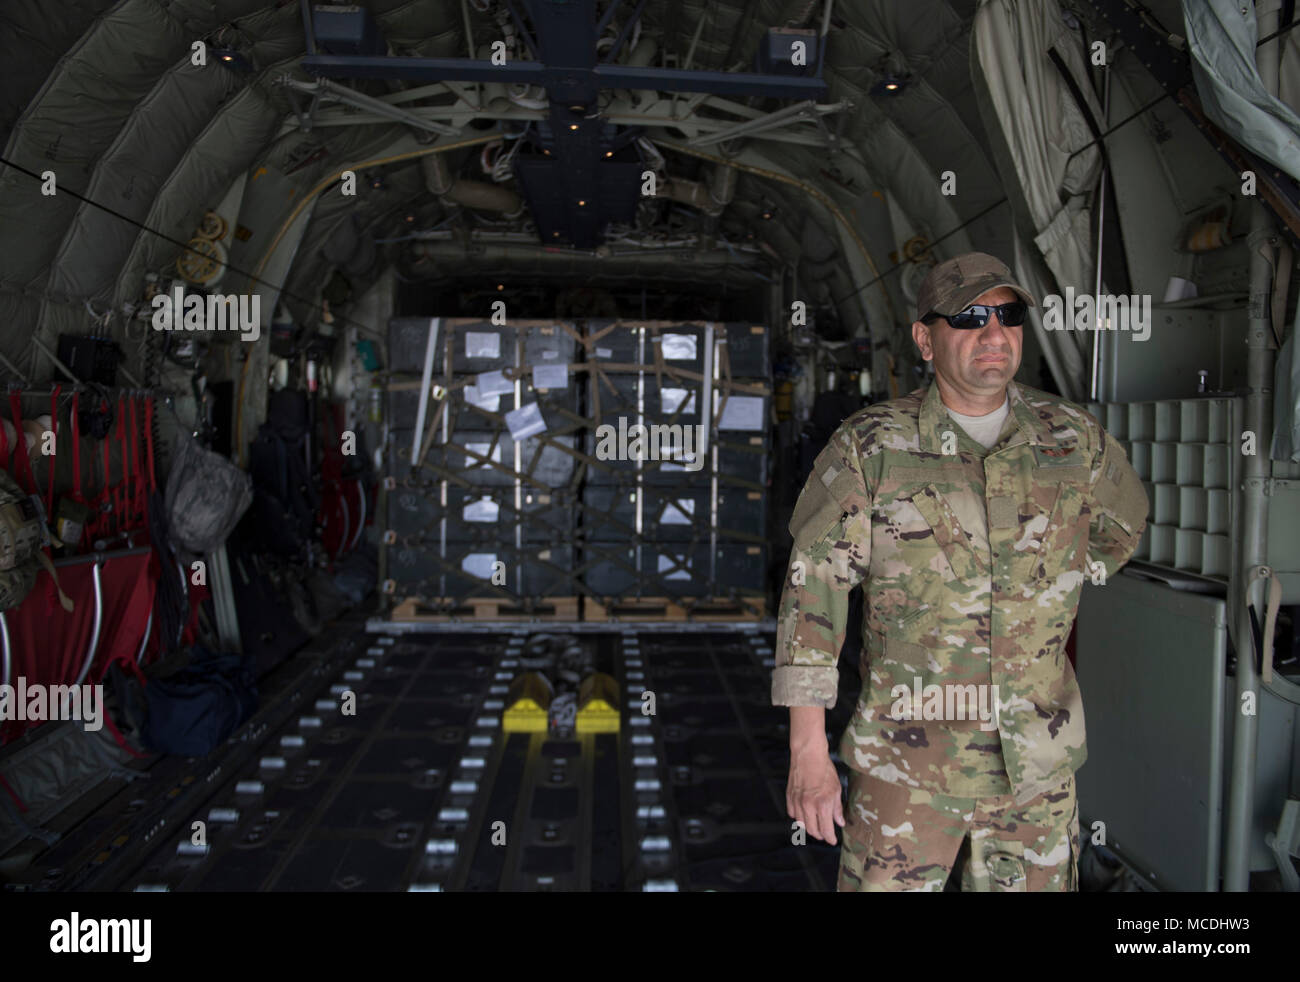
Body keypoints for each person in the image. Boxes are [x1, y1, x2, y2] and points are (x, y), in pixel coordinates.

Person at [772, 252, 1148, 891]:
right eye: (970, 317)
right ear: (925, 338)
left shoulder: (1074, 441)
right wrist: (807, 750)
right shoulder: (872, 447)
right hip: (907, 767)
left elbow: (1118, 532)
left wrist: (1037, 587)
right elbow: (816, 594)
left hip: (1036, 770)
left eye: (1007, 315)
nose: (994, 333)